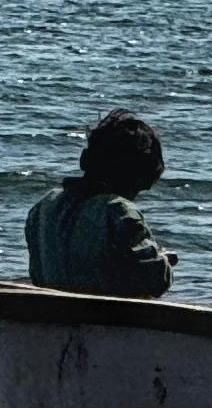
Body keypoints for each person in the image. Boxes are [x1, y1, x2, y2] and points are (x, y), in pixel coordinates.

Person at [24, 110, 177, 296]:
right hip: (107, 319)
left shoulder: (45, 206)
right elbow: (154, 280)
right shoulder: (118, 211)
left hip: (52, 317)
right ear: (138, 177)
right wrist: (164, 262)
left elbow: (37, 273)